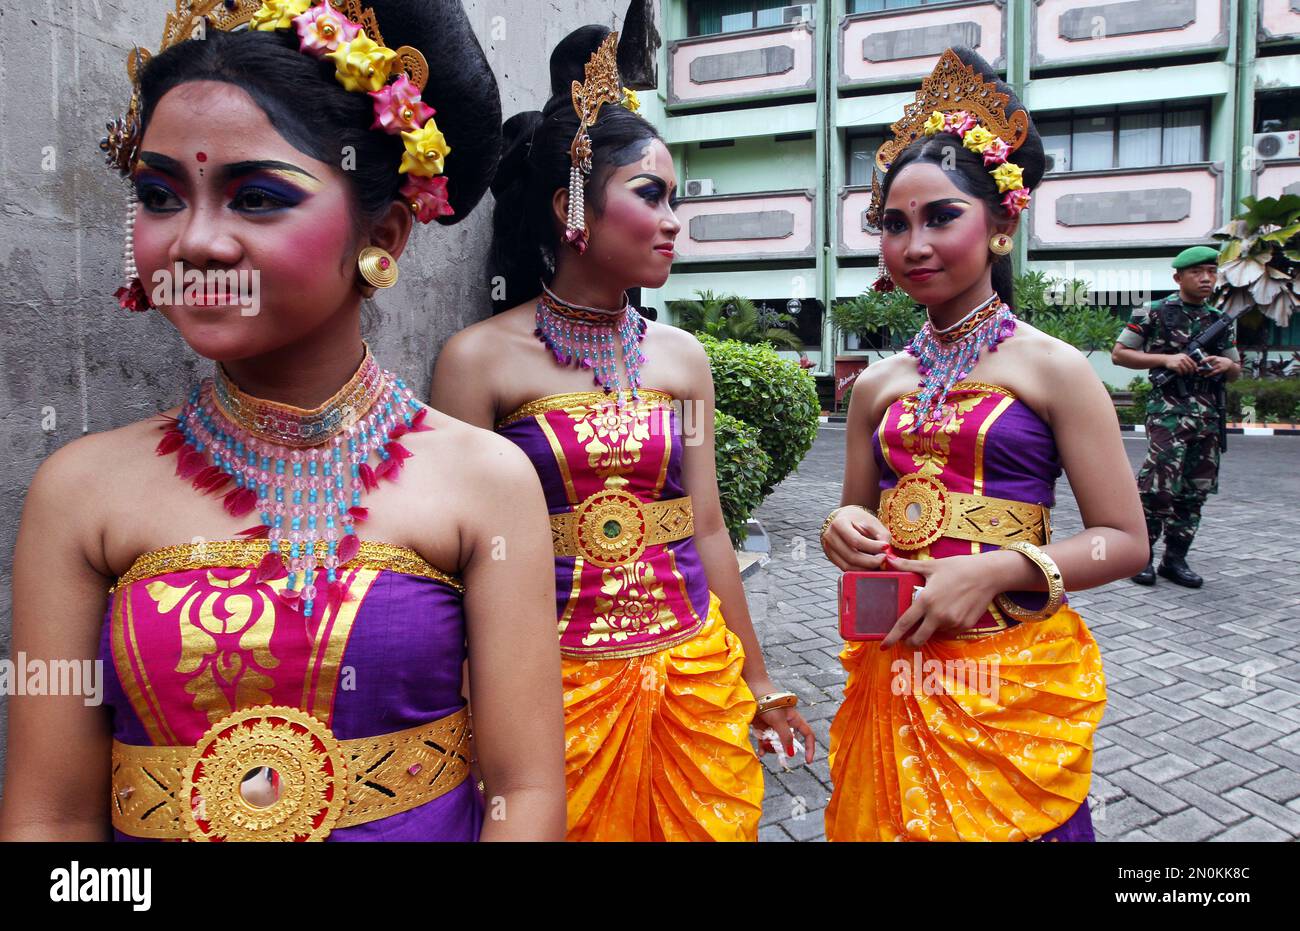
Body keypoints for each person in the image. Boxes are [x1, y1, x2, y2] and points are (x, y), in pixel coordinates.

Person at [0, 0, 565, 842]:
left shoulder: (485, 481)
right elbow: (52, 813)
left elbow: (525, 794)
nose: (195, 242)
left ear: (384, 233)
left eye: (256, 197)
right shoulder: (79, 494)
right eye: (159, 194)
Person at [431, 24, 815, 841]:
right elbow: (457, 566)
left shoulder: (683, 361)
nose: (673, 220)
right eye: (651, 194)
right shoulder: (478, 362)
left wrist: (760, 679)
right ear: (575, 201)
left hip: (693, 677)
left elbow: (707, 524)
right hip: (552, 691)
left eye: (676, 198)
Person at [819, 47, 1149, 841]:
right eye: (894, 224)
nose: (914, 244)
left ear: (1002, 221)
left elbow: (1125, 541)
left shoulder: (1054, 369)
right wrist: (843, 534)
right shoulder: (877, 384)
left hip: (1008, 671)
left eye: (941, 217)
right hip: (897, 664)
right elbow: (855, 520)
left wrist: (1003, 567)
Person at [1112, 246, 1241, 588]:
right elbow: (1120, 354)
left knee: (1194, 490)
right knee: (1157, 488)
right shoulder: (1152, 312)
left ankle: (1175, 559)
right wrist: (1164, 360)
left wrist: (1227, 366)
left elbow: (1235, 368)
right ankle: (1141, 557)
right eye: (1197, 272)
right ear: (1178, 277)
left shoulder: (1219, 320)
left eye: (1211, 272)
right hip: (1168, 414)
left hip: (1208, 416)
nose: (1206, 278)